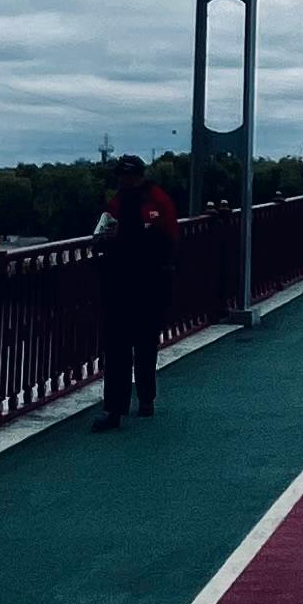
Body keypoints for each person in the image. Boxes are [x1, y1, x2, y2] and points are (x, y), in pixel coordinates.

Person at [91, 153, 180, 429]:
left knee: (145, 344)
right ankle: (114, 409)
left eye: (129, 176)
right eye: (122, 176)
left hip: (149, 283)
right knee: (117, 347)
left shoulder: (157, 200)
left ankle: (145, 398)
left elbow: (170, 240)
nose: (125, 180)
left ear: (140, 176)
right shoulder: (116, 203)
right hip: (120, 283)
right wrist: (105, 241)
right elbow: (99, 238)